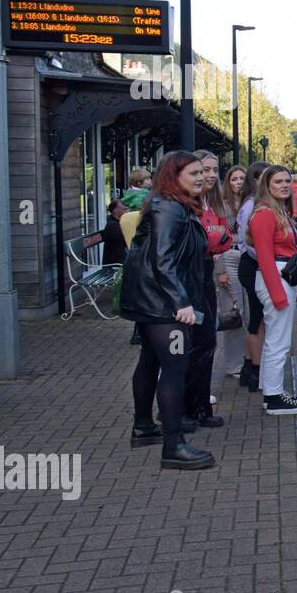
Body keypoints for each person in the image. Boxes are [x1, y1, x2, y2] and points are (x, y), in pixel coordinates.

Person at [119, 151, 216, 471]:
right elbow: (163, 260)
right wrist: (181, 303)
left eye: (203, 172)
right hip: (163, 305)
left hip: (151, 302)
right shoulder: (170, 208)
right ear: (174, 177)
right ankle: (174, 446)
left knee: (149, 360)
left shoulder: (167, 204)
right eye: (193, 174)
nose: (202, 178)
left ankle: (144, 427)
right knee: (175, 367)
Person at [249, 164, 297, 415]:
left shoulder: (278, 212)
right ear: (267, 186)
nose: (285, 185)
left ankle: (270, 388)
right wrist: (278, 294)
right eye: (278, 182)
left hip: (285, 279)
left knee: (274, 339)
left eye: (287, 180)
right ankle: (274, 397)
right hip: (275, 278)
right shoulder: (264, 214)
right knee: (279, 341)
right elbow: (264, 256)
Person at [184, 150, 233, 430]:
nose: (211, 175)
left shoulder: (214, 203)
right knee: (191, 345)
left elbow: (223, 240)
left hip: (206, 275)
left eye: (215, 169)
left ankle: (201, 406)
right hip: (190, 278)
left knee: (208, 342)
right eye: (204, 170)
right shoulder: (184, 204)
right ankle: (183, 408)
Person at [236, 161, 272, 392]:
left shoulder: (250, 203)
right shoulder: (253, 206)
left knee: (256, 317)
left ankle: (250, 367)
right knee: (258, 320)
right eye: (269, 178)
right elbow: (252, 244)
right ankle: (257, 371)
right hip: (255, 265)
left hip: (253, 264)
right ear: (257, 179)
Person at [218, 165, 249, 377]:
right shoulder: (222, 205)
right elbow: (219, 237)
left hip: (248, 258)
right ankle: (234, 365)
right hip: (229, 257)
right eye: (234, 178)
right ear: (228, 182)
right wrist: (220, 269)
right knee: (233, 312)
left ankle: (250, 357)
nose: (238, 182)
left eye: (241, 178)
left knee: (250, 312)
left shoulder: (251, 202)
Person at [102, 198, 128, 265]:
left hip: (120, 260)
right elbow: (127, 241)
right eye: (124, 209)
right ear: (115, 211)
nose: (126, 211)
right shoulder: (113, 226)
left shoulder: (119, 222)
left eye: (126, 209)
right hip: (114, 264)